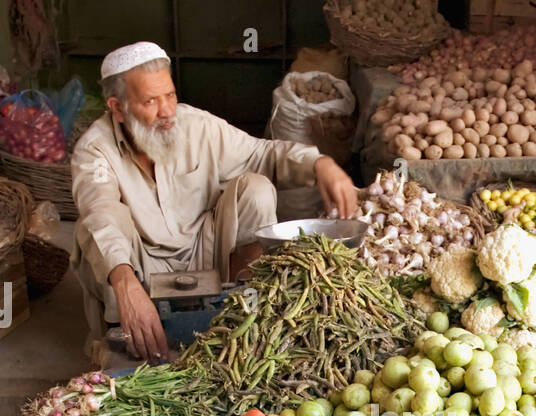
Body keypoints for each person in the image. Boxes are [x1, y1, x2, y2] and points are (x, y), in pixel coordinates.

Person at [70, 41, 358, 360]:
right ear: (118, 108)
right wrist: (126, 286)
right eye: (151, 101)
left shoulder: (195, 125)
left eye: (170, 96)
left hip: (205, 254)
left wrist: (320, 164)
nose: (167, 111)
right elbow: (100, 213)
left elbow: (261, 153)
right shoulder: (94, 149)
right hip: (141, 266)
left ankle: (242, 312)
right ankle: (129, 336)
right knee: (93, 230)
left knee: (256, 188)